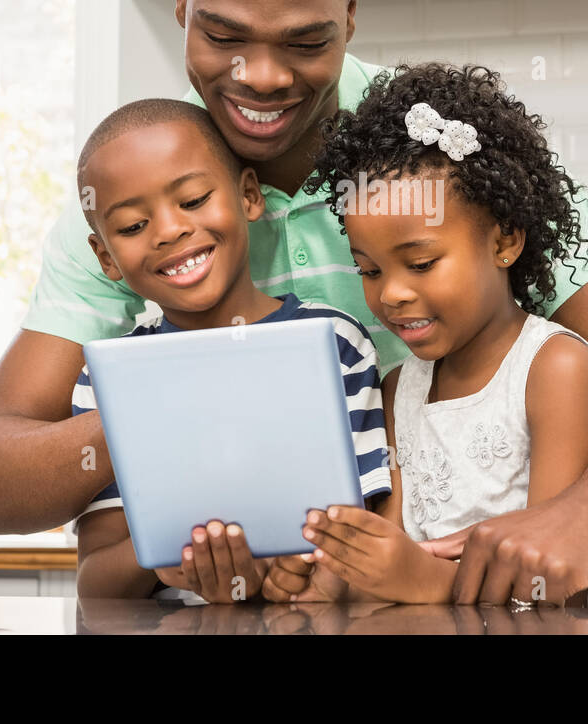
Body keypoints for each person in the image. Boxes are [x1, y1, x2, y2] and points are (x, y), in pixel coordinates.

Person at [0, 0, 588, 607]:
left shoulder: (440, 160)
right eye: (224, 35)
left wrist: (587, 512)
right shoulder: (143, 207)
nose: (261, 76)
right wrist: (189, 411)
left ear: (350, 12)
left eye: (304, 42)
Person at [288, 63, 588, 610]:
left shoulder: (553, 369)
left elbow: (554, 586)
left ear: (506, 241)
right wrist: (330, 573)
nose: (391, 294)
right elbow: (396, 560)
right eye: (369, 271)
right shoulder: (400, 389)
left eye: (420, 263)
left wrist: (423, 581)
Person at [68, 97, 390, 601]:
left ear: (248, 196)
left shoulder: (336, 345)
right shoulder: (106, 380)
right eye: (132, 226)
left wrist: (286, 581)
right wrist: (164, 556)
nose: (170, 230)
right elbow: (95, 585)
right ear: (106, 256)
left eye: (193, 200)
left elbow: (370, 545)